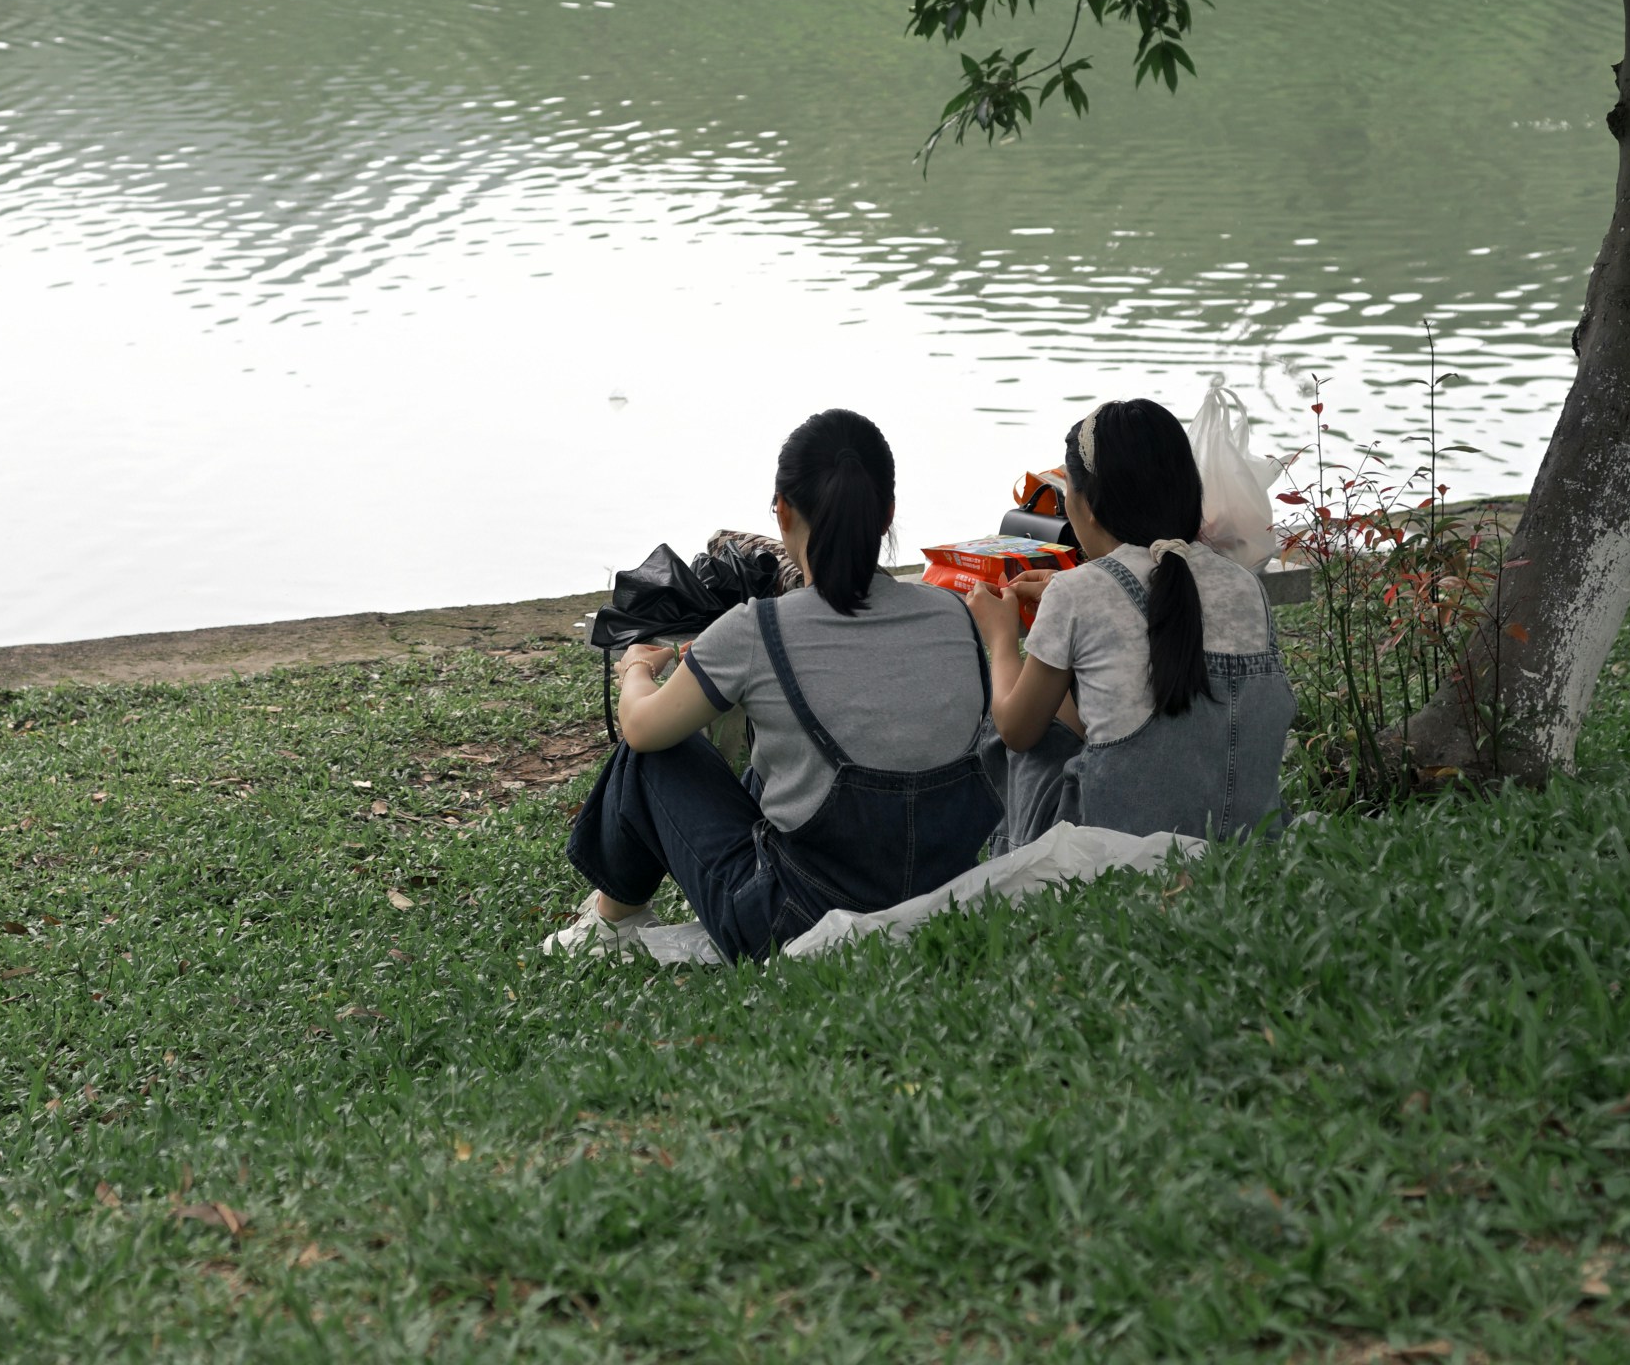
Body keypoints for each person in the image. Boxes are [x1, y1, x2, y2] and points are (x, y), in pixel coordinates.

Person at [547, 408, 1001, 962]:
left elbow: (640, 729)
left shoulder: (757, 628)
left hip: (795, 920)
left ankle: (611, 923)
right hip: (944, 896)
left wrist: (636, 670)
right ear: (888, 513)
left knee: (656, 755)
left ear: (781, 512)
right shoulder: (952, 613)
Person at [967, 397, 1296, 847]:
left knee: (1013, 728)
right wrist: (1062, 622)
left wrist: (1002, 637)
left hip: (1117, 852)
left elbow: (1016, 730)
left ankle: (1016, 856)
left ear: (1087, 506)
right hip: (1247, 836)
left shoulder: (1076, 592)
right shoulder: (1244, 583)